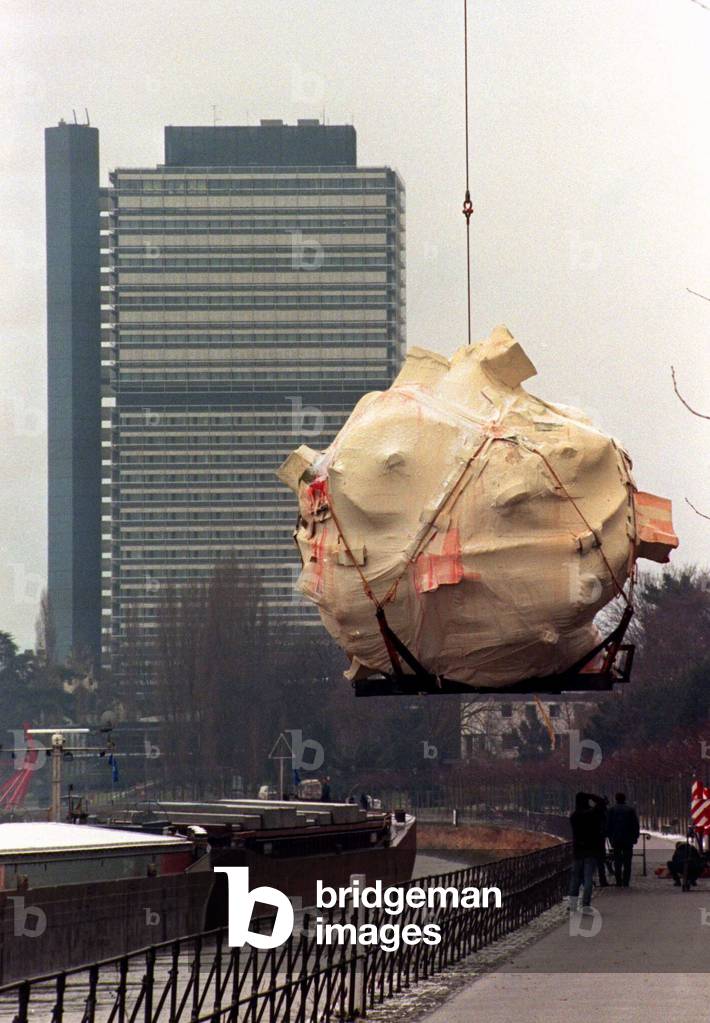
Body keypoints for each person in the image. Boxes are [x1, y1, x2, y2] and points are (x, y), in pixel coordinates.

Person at [568, 791, 607, 912]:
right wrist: (591, 795)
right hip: (591, 849)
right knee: (588, 878)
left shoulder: (574, 816)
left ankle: (573, 905)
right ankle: (586, 904)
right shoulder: (592, 814)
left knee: (575, 879)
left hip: (577, 850)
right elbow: (602, 803)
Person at [606, 791, 640, 887]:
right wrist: (635, 837)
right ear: (625, 799)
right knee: (627, 861)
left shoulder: (611, 810)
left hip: (616, 839)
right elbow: (635, 825)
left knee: (617, 861)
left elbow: (608, 825)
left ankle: (618, 881)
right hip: (628, 839)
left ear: (616, 799)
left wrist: (610, 837)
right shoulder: (630, 810)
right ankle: (626, 881)